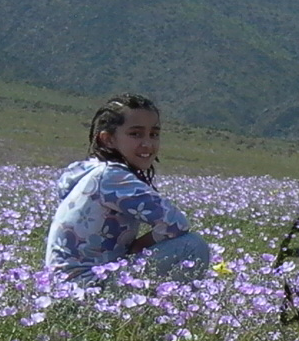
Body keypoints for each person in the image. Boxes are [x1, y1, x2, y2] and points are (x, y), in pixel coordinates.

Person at [45, 93, 211, 284]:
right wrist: (137, 248)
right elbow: (176, 223)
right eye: (135, 134)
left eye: (154, 134)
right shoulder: (111, 177)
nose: (147, 143)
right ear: (108, 140)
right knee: (192, 246)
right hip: (85, 286)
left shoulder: (94, 172)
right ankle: (181, 310)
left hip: (62, 285)